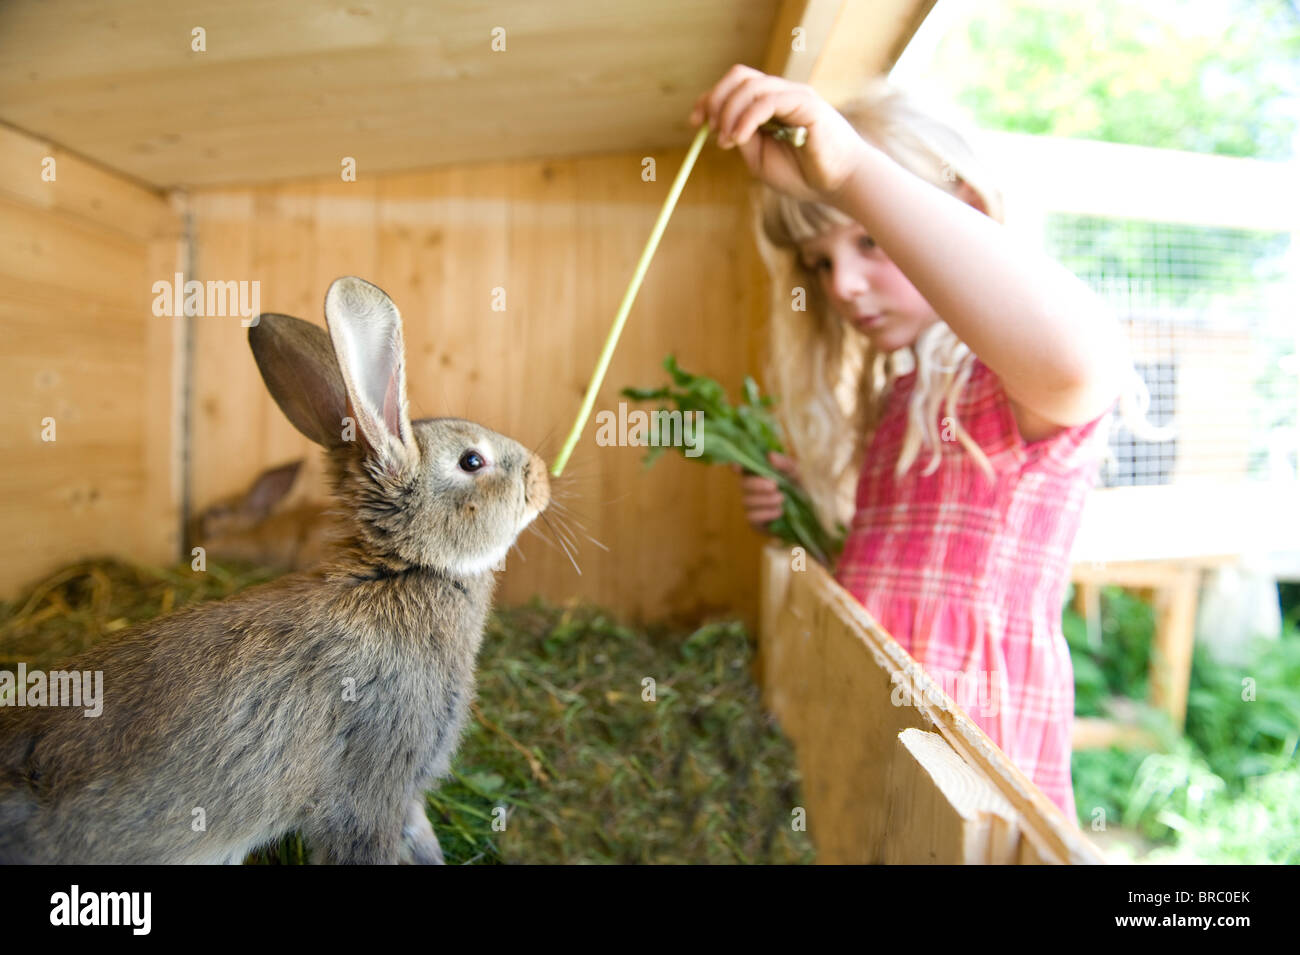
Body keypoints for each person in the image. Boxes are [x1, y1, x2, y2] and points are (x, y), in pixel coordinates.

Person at [690, 65, 1163, 821]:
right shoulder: (901, 396)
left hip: (969, 752)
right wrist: (809, 512)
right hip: (879, 733)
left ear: (964, 213)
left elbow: (1080, 361)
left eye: (869, 241)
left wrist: (848, 171)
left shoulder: (1004, 385)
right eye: (819, 263)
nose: (841, 284)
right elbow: (910, 567)